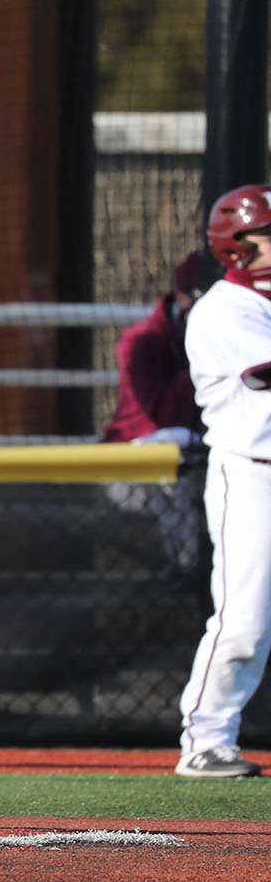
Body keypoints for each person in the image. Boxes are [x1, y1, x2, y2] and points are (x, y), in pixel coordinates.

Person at [175, 184, 271, 779]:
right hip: (253, 477)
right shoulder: (224, 309)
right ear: (236, 245)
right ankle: (205, 740)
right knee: (244, 623)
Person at [100, 250, 205, 583]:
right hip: (130, 472)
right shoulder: (141, 342)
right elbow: (162, 417)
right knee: (167, 451)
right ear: (181, 296)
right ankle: (185, 569)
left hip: (199, 463)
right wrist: (203, 362)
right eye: (198, 295)